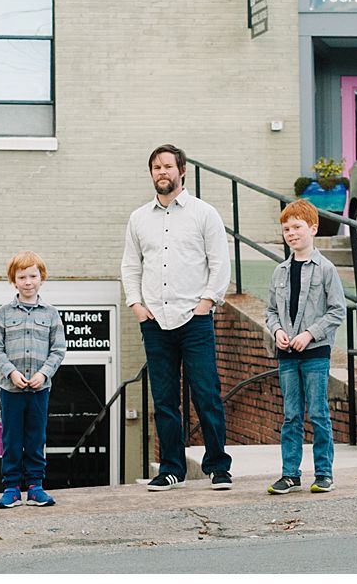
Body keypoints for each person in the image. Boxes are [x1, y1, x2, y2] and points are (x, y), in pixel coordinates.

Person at [121, 143, 233, 491]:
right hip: (155, 322)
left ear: (182, 170)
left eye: (167, 166)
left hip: (195, 319)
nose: (162, 172)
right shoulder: (139, 218)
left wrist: (206, 303)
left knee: (206, 393)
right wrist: (137, 306)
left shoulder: (204, 214)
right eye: (156, 167)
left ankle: (218, 466)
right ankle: (171, 468)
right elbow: (130, 265)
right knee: (164, 400)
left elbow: (219, 263)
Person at [264, 199, 346, 496]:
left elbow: (337, 311)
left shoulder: (326, 269)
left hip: (315, 354)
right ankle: (289, 474)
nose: (291, 233)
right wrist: (278, 331)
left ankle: (324, 473)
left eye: (297, 227)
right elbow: (271, 311)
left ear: (312, 228)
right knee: (291, 415)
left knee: (319, 414)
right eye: (286, 228)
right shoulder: (280, 272)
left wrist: (310, 334)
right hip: (287, 356)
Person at [0, 251, 66, 509]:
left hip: (40, 388)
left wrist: (43, 373)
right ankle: (11, 487)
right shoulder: (4, 313)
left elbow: (58, 350)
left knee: (35, 437)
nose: (28, 281)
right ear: (14, 280)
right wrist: (11, 372)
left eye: (33, 276)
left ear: (41, 278)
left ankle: (35, 487)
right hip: (11, 388)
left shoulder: (52, 314)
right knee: (11, 438)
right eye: (22, 277)